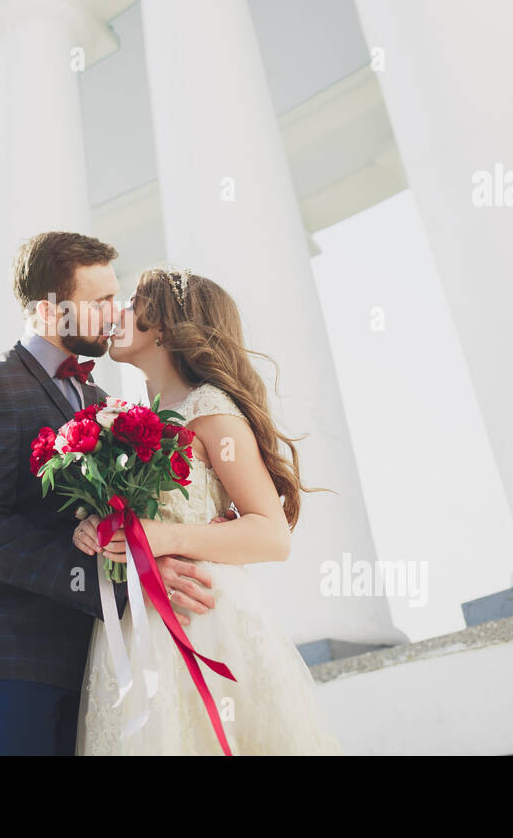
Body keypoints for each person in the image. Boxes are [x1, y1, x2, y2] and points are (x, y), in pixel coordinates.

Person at [0, 231, 224, 756]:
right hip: (14, 664)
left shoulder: (106, 401)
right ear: (50, 313)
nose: (116, 313)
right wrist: (116, 587)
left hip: (99, 664)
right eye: (98, 303)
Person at [72, 266, 344, 755]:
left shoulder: (209, 407)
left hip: (203, 617)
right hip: (136, 624)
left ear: (163, 329)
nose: (118, 313)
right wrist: (100, 527)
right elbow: (136, 526)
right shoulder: (134, 418)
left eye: (133, 304)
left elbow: (271, 534)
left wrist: (163, 538)